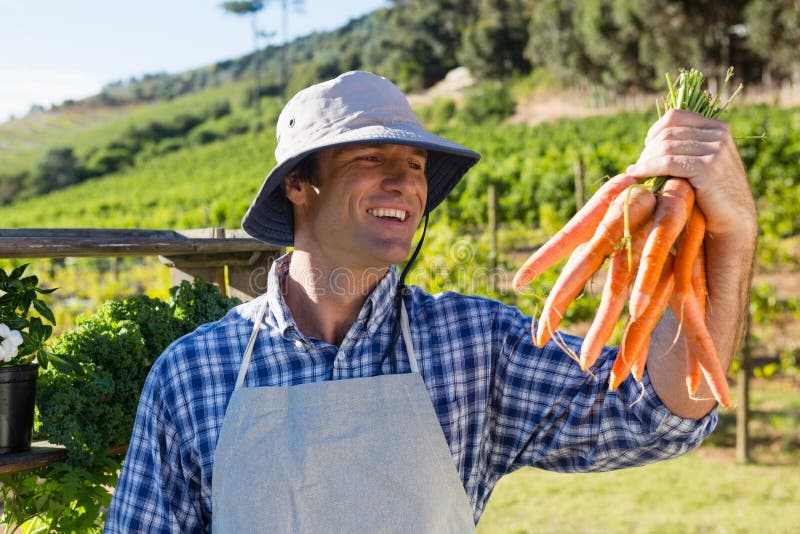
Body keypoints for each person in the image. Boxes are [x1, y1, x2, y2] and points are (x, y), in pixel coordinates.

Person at [105, 70, 757, 533]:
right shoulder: (193, 372)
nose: (404, 180)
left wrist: (730, 236)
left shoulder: (478, 349)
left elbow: (659, 412)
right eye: (371, 156)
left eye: (416, 164)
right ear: (299, 185)